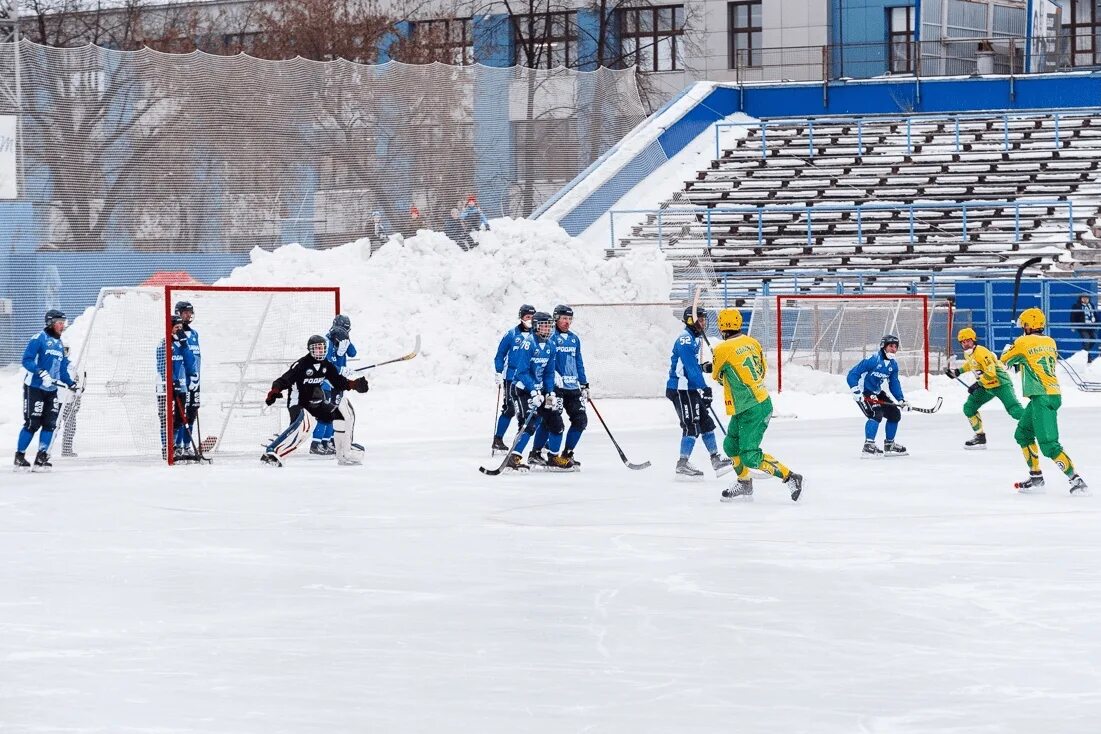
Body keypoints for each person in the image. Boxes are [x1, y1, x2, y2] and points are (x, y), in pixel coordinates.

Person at [711, 308, 803, 502]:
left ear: (721, 327)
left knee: (750, 456)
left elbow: (717, 376)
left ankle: (790, 477)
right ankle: (744, 483)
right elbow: (759, 372)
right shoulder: (752, 342)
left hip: (753, 407)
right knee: (730, 446)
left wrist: (711, 365)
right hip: (749, 404)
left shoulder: (721, 349)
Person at [1001, 308, 1088, 494]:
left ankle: (1076, 479)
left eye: (1023, 325)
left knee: (1049, 444)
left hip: (1042, 396)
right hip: (1048, 394)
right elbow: (1030, 362)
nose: (1022, 328)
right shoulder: (1050, 341)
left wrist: (1008, 350)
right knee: (1022, 434)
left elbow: (1004, 362)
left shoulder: (1023, 341)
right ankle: (1036, 477)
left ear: (1028, 325)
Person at [261, 334, 370, 467]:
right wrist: (275, 391)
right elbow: (283, 380)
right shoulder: (301, 365)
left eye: (322, 348)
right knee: (305, 424)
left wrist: (354, 385)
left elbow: (338, 381)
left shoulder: (325, 365)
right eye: (316, 348)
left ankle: (344, 452)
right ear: (310, 350)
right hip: (298, 403)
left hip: (315, 403)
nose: (320, 351)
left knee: (343, 414)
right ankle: (272, 452)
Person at [666, 306, 732, 478]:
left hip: (689, 388)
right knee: (691, 426)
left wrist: (704, 367)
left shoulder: (694, 339)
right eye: (700, 319)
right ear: (690, 320)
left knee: (706, 423)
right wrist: (705, 388)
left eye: (704, 320)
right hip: (681, 389)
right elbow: (689, 368)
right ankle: (682, 463)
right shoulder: (685, 340)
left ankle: (716, 460)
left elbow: (692, 367)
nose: (703, 323)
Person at [15, 309, 80, 471]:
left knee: (50, 424)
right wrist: (41, 372)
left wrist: (71, 383)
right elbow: (27, 360)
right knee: (32, 423)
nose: (62, 326)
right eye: (59, 323)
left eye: (63, 323)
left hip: (51, 390)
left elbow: (62, 368)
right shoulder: (38, 339)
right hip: (35, 387)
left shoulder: (59, 344)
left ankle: (41, 457)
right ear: (50, 323)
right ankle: (20, 457)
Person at [528, 305, 588, 470]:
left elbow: (578, 362)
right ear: (556, 318)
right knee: (552, 421)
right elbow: (543, 359)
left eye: (569, 319)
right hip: (556, 387)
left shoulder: (574, 339)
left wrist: (584, 383)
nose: (567, 322)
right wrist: (553, 375)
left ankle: (567, 453)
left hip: (572, 387)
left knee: (581, 420)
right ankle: (537, 452)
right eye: (564, 319)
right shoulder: (549, 336)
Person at [943, 327, 1023, 450]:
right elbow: (972, 364)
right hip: (987, 386)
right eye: (963, 342)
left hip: (1001, 384)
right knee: (969, 407)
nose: (965, 344)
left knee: (1014, 409)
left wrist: (978, 384)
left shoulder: (981, 352)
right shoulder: (969, 353)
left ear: (973, 340)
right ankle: (980, 437)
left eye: (968, 341)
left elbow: (991, 373)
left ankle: (1036, 427)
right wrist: (958, 371)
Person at [503, 311, 557, 472]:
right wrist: (533, 391)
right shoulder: (528, 344)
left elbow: (549, 373)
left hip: (538, 390)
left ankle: (530, 453)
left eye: (549, 326)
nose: (547, 330)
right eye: (544, 326)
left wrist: (550, 392)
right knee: (529, 421)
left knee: (538, 421)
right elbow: (522, 372)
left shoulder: (551, 346)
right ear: (536, 326)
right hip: (521, 388)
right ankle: (514, 457)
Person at [847, 335, 908, 457]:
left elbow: (894, 383)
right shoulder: (873, 359)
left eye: (896, 347)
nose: (894, 349)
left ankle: (889, 444)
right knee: (876, 413)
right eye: (891, 346)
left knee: (895, 414)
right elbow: (852, 374)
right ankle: (868, 445)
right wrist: (856, 391)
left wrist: (901, 399)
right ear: (883, 346)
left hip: (876, 391)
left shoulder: (893, 365)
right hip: (864, 392)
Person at [492, 304, 535, 453]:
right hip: (511, 378)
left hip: (530, 378)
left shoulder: (537, 336)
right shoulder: (511, 334)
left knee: (533, 410)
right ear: (521, 317)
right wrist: (498, 372)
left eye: (532, 317)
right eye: (527, 317)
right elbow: (500, 355)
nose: (530, 320)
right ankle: (498, 439)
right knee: (510, 408)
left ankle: (532, 442)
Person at [312, 315, 357, 455]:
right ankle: (316, 444)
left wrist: (345, 346)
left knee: (335, 413)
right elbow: (326, 365)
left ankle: (327, 441)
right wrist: (339, 367)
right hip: (325, 383)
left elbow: (353, 353)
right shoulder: (326, 342)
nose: (345, 334)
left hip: (338, 383)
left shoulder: (342, 340)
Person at [156, 315, 198, 461]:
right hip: (166, 389)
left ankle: (176, 447)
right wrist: (171, 381)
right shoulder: (164, 344)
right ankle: (168, 447)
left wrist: (185, 346)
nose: (180, 330)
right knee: (167, 419)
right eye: (177, 328)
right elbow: (161, 366)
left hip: (181, 387)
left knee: (180, 419)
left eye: (181, 328)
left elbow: (190, 362)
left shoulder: (181, 344)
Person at [175, 301, 201, 456]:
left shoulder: (194, 334)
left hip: (195, 380)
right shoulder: (175, 335)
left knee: (191, 412)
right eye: (185, 312)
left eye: (190, 312)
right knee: (180, 413)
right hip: (182, 381)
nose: (188, 315)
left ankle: (187, 446)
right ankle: (177, 446)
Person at [60, 344, 82, 458]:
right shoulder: (52, 364)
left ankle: (67, 450)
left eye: (65, 349)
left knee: (71, 427)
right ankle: (44, 451)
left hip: (69, 402)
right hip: (55, 401)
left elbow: (77, 386)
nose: (64, 352)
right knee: (51, 428)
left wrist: (77, 402)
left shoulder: (72, 367)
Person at [1070, 293, 1097, 363]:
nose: (1085, 299)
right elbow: (1073, 316)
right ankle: (1088, 357)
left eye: (1087, 298)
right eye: (1084, 298)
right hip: (1082, 327)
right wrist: (1073, 325)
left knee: (1094, 339)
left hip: (1091, 326)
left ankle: (1084, 353)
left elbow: (1095, 314)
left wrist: (1097, 323)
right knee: (1087, 340)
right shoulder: (1077, 306)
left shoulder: (1091, 305)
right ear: (1081, 298)